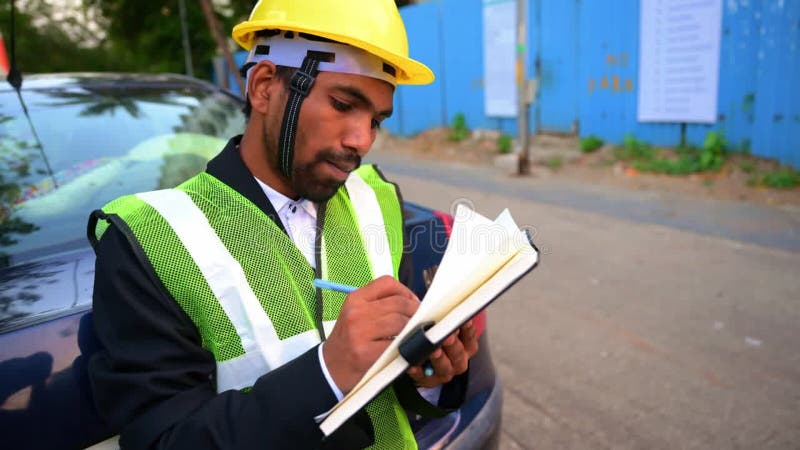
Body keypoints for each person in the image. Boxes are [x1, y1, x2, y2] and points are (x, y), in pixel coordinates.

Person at [86, 0, 479, 448]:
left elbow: (393, 399)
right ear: (265, 87)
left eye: (375, 120)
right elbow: (165, 439)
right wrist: (326, 375)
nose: (362, 140)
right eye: (343, 104)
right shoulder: (148, 241)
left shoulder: (375, 198)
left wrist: (428, 375)